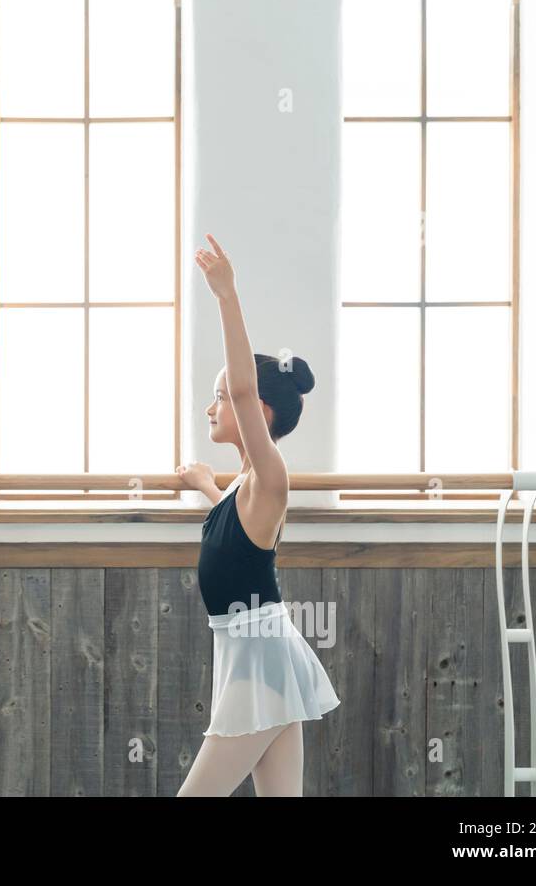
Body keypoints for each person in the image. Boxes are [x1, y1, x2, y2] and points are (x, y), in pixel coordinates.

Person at [174, 233, 339, 797]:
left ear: (258, 412)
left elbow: (243, 388)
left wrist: (226, 296)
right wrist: (202, 484)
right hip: (254, 657)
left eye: (219, 397)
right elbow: (231, 528)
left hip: (260, 660)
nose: (213, 405)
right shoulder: (243, 488)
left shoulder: (271, 478)